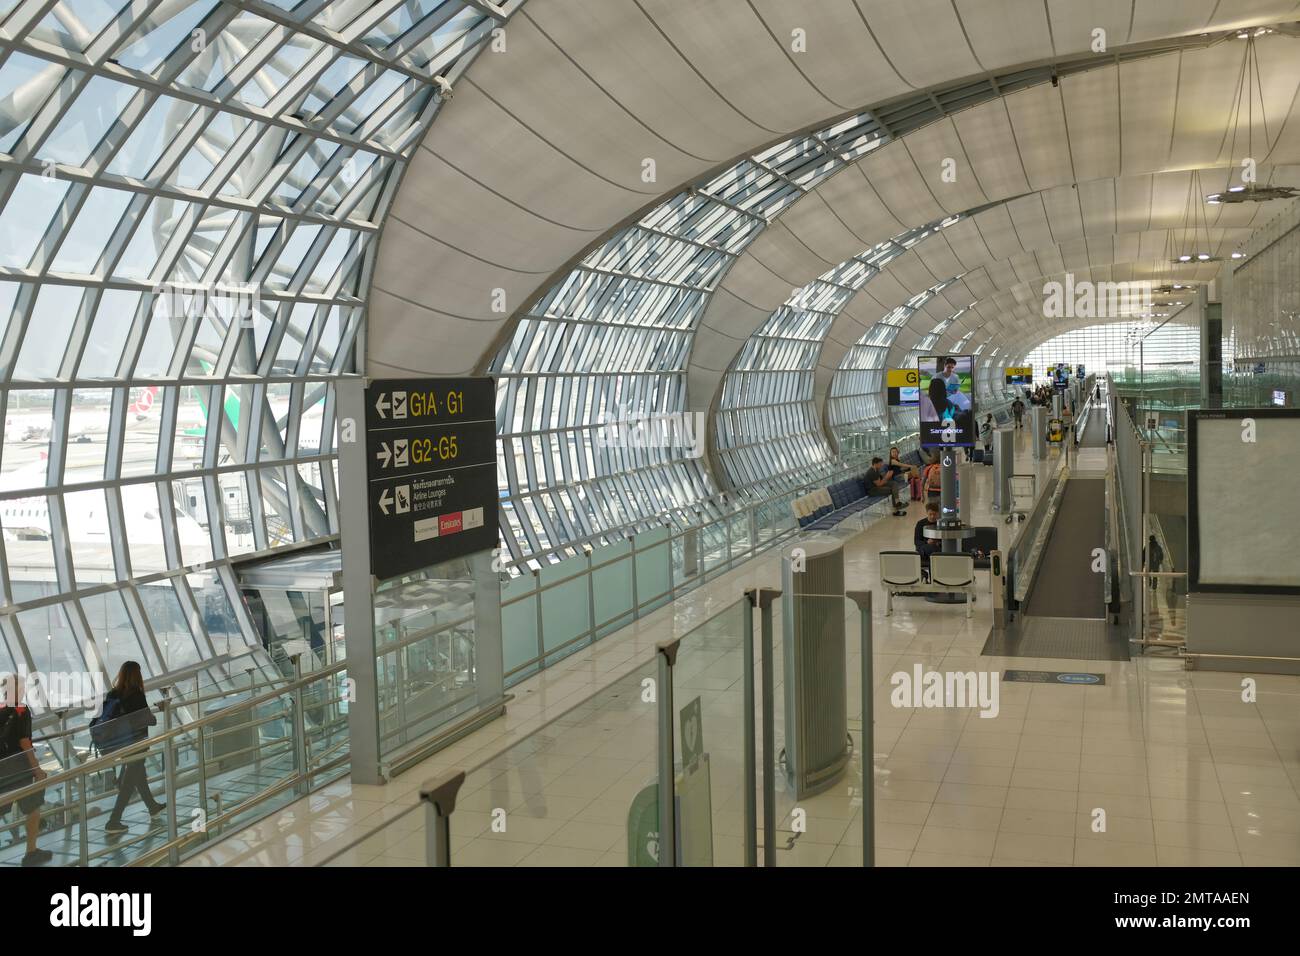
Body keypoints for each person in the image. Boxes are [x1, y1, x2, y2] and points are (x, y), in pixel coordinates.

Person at [100, 661, 163, 834]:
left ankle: (152, 807)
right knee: (129, 782)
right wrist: (157, 714)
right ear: (137, 675)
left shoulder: (112, 694)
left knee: (139, 775)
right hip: (137, 742)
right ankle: (113, 820)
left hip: (119, 743)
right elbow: (147, 719)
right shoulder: (136, 695)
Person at [0, 675, 51, 866]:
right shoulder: (21, 710)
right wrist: (37, 769)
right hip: (19, 767)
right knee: (33, 807)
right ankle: (31, 852)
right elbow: (24, 742)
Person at [913, 502, 942, 579]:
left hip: (936, 549)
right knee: (932, 549)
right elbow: (916, 541)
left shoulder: (940, 524)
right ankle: (935, 578)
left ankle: (934, 578)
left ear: (938, 513)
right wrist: (926, 542)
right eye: (930, 514)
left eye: (934, 514)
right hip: (923, 549)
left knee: (934, 550)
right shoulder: (920, 524)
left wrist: (938, 543)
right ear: (927, 513)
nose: (932, 516)